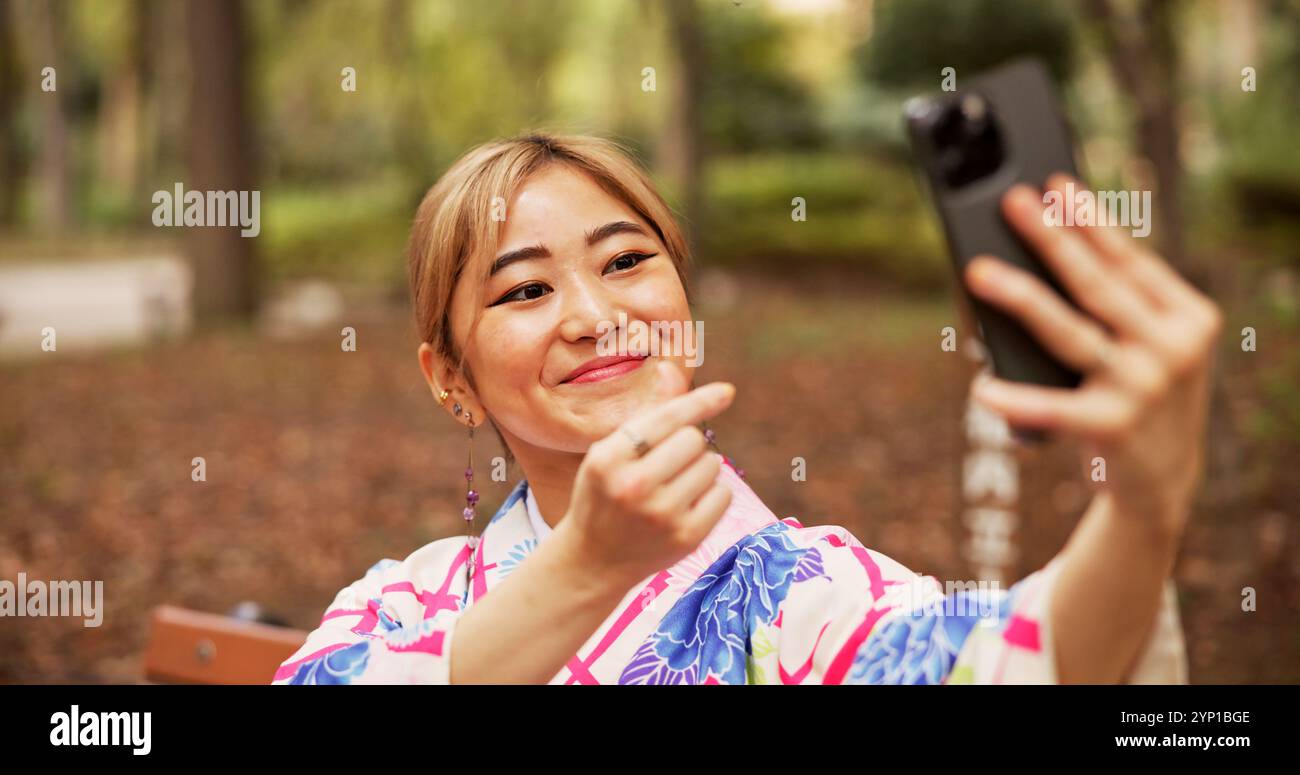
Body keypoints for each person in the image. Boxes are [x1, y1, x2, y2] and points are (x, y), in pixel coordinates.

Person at [274, 133, 1215, 684]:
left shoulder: (798, 587)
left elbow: (1016, 660)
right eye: (524, 291)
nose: (598, 318)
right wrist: (585, 569)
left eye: (628, 262)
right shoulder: (396, 602)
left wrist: (1144, 506)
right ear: (450, 378)